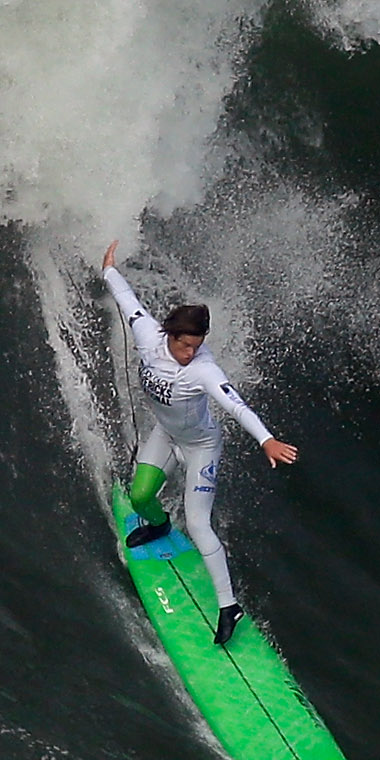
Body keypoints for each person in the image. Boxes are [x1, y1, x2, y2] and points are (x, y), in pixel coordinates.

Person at [98, 240, 298, 644]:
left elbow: (237, 406)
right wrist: (108, 270)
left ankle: (229, 606)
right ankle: (157, 525)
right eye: (184, 344)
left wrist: (267, 440)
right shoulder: (147, 336)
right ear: (169, 335)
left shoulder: (205, 370)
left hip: (201, 446)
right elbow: (127, 300)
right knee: (139, 499)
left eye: (197, 345)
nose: (191, 353)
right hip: (165, 433)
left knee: (198, 523)